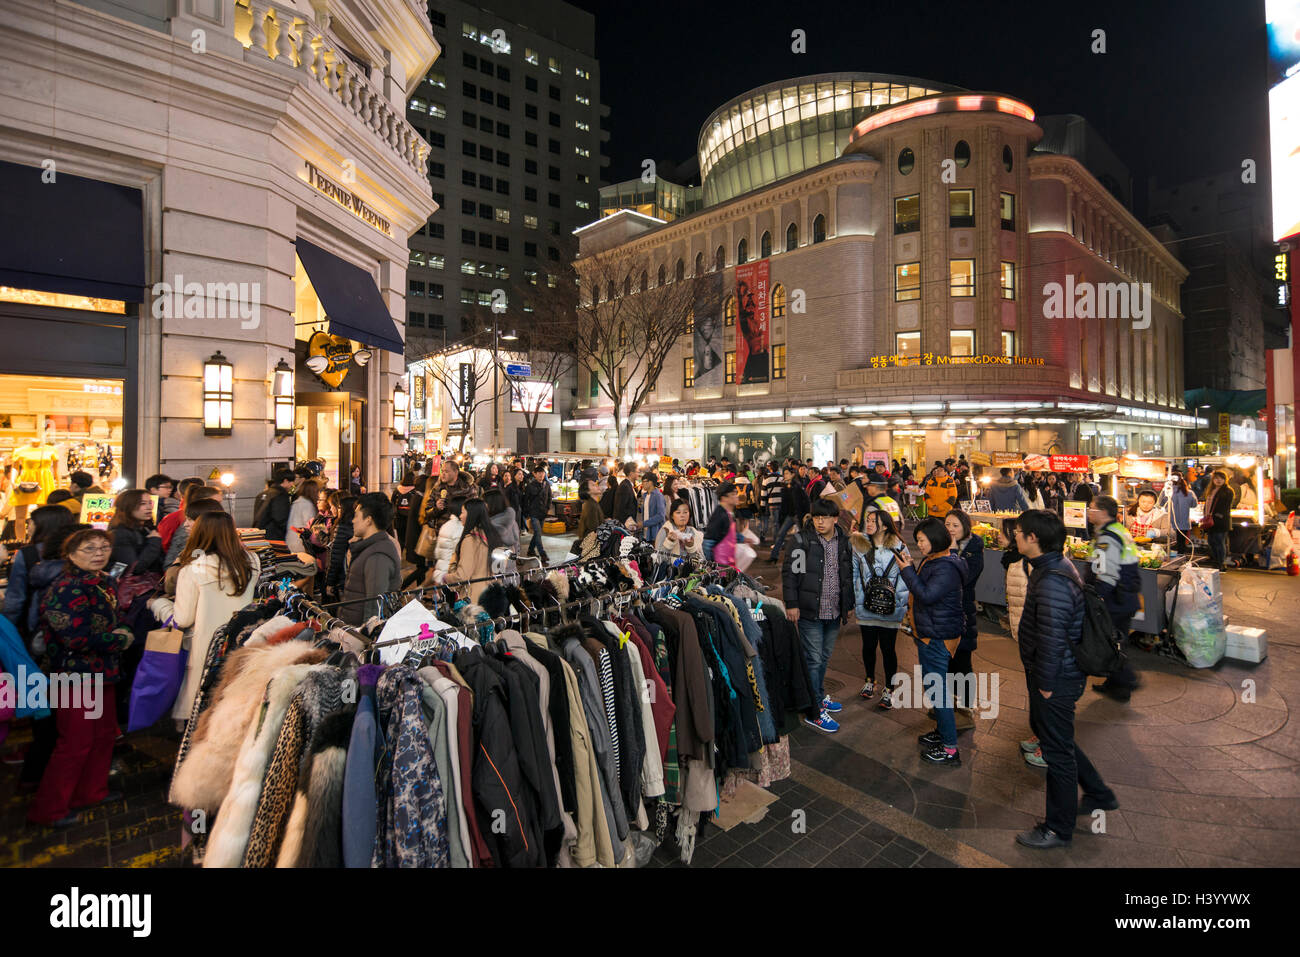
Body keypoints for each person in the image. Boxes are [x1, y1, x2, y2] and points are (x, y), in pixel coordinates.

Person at [1013, 509, 1118, 849]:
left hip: (1056, 678)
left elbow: (1053, 638)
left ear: (1033, 538)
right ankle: (1099, 793)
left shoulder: (1054, 579)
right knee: (1058, 738)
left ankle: (1058, 828)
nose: (1014, 536)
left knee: (1057, 754)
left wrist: (1044, 684)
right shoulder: (1053, 567)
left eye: (1018, 531)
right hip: (1058, 675)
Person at [26, 528, 134, 827]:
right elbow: (74, 638)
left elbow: (114, 619)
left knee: (101, 736)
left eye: (103, 547)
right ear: (70, 553)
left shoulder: (104, 581)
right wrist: (118, 640)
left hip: (103, 672)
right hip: (74, 677)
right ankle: (49, 809)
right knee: (75, 742)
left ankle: (91, 791)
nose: (99, 553)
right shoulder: (66, 588)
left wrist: (122, 630)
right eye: (89, 548)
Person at [148, 511, 259, 726]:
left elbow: (183, 618)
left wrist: (159, 605)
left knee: (202, 707)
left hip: (206, 649)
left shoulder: (192, 569)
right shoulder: (251, 561)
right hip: (241, 642)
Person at [781, 498, 854, 733]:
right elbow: (792, 574)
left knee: (823, 657)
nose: (820, 522)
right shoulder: (802, 540)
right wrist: (791, 603)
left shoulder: (843, 541)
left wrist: (848, 603)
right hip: (809, 610)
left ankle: (819, 696)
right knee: (812, 659)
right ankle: (814, 710)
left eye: (824, 517)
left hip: (833, 610)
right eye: (816, 517)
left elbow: (847, 574)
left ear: (835, 518)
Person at [851, 506, 909, 708]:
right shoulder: (858, 545)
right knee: (868, 646)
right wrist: (856, 597)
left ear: (884, 525)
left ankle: (889, 689)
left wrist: (899, 605)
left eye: (873, 521)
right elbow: (854, 574)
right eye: (867, 520)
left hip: (890, 608)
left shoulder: (899, 546)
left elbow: (905, 576)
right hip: (865, 605)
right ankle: (870, 681)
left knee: (888, 648)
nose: (868, 523)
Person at [1086, 496, 1141, 702]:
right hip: (1126, 595)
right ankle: (1116, 684)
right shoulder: (1118, 530)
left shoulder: (1107, 537)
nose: (1089, 512)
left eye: (1092, 508)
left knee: (1112, 641)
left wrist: (1097, 598)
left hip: (1115, 599)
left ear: (1103, 513)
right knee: (1117, 640)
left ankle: (1127, 679)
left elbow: (1105, 573)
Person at [4, 505, 77, 638]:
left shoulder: (28, 554)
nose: (28, 527)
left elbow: (15, 597)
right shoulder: (80, 551)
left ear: (42, 525)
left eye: (31, 523)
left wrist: (8, 629)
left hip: (36, 623)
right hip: (74, 621)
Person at [945, 509, 984, 733]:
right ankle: (948, 703)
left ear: (965, 527)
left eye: (955, 525)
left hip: (963, 610)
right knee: (947, 661)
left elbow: (965, 579)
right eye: (947, 524)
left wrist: (951, 554)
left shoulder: (974, 548)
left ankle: (967, 706)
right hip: (944, 612)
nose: (950, 529)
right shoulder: (941, 545)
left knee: (963, 661)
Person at [340, 493, 401, 626]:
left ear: (368, 520)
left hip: (359, 635)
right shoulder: (368, 547)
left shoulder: (378, 556)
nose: (353, 520)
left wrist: (366, 638)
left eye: (356, 516)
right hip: (352, 629)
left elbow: (374, 608)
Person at [446, 498, 502, 603]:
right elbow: (500, 568)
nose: (460, 516)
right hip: (493, 596)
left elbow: (463, 575)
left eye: (462, 512)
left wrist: (445, 578)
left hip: (474, 598)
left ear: (471, 515)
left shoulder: (470, 540)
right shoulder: (494, 536)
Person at [108, 489, 163, 575]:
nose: (149, 507)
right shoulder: (120, 533)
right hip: (129, 585)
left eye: (150, 503)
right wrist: (154, 542)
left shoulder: (146, 529)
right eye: (143, 504)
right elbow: (134, 568)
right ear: (128, 506)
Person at [161, 496, 224, 571]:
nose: (185, 524)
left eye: (190, 520)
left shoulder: (199, 549)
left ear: (204, 522)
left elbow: (196, 576)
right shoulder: (227, 545)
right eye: (186, 519)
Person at [419, 460, 474, 534]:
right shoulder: (437, 489)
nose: (443, 474)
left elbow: (475, 510)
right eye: (442, 471)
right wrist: (437, 508)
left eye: (446, 471)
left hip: (461, 532)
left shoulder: (467, 489)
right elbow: (427, 513)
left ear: (456, 472)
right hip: (441, 533)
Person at [769, 466, 810, 563]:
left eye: (787, 473)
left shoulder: (797, 486)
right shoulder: (784, 486)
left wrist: (806, 513)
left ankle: (809, 556)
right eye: (784, 473)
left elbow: (806, 500)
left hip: (798, 515)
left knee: (804, 536)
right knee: (780, 534)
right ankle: (774, 556)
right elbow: (785, 503)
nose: (785, 475)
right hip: (790, 515)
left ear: (792, 474)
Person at [324, 496, 356, 602]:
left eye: (338, 507)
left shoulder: (342, 527)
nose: (336, 509)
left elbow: (336, 557)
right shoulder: (354, 526)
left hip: (343, 577)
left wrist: (329, 582)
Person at [521, 464, 553, 564]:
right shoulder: (530, 486)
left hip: (543, 513)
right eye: (539, 473)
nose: (541, 475)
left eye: (543, 473)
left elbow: (549, 497)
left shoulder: (546, 484)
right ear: (535, 474)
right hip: (534, 513)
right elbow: (526, 500)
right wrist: (527, 512)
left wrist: (547, 508)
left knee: (537, 534)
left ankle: (530, 550)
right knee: (538, 533)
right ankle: (543, 554)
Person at [254, 469, 295, 543]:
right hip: (274, 538)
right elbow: (281, 519)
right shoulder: (281, 495)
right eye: (291, 482)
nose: (292, 485)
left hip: (259, 535)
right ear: (285, 481)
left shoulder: (261, 495)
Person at [703, 482, 739, 567]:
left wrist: (743, 539)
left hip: (729, 561)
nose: (736, 496)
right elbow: (707, 543)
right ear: (724, 498)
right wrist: (711, 564)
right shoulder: (719, 516)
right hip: (721, 564)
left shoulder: (729, 513)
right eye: (733, 494)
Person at [1203, 470, 1233, 570]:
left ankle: (1221, 563)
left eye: (1221, 478)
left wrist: (1216, 515)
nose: (1218, 480)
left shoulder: (1228, 491)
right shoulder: (1211, 490)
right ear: (1213, 480)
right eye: (1216, 478)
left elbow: (1225, 506)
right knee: (1211, 542)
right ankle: (1216, 561)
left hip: (1220, 521)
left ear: (1225, 480)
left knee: (1219, 542)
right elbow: (1207, 505)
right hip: (1210, 521)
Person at [285, 478, 320, 554]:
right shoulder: (307, 505)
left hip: (291, 540)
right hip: (300, 542)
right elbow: (310, 524)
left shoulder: (297, 502)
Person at [483, 487, 519, 553]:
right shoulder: (511, 519)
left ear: (492, 504)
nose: (483, 505)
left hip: (494, 560)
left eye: (485, 502)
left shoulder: (488, 525)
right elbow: (516, 542)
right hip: (510, 558)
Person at [390, 471, 419, 553]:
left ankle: (400, 551)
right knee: (409, 536)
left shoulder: (397, 489)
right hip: (410, 517)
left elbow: (392, 502)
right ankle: (409, 553)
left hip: (399, 516)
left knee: (400, 537)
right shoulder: (415, 490)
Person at [1168, 477, 1198, 554]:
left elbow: (1161, 503)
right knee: (1181, 544)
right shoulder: (1189, 493)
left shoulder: (1167, 492)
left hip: (1170, 523)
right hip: (1184, 523)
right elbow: (1194, 505)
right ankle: (1181, 559)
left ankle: (1171, 558)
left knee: (1171, 544)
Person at [639, 472, 666, 546]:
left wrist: (644, 523)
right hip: (645, 533)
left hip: (655, 534)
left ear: (650, 482)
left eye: (644, 481)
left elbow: (660, 516)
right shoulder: (645, 495)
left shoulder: (658, 496)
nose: (642, 484)